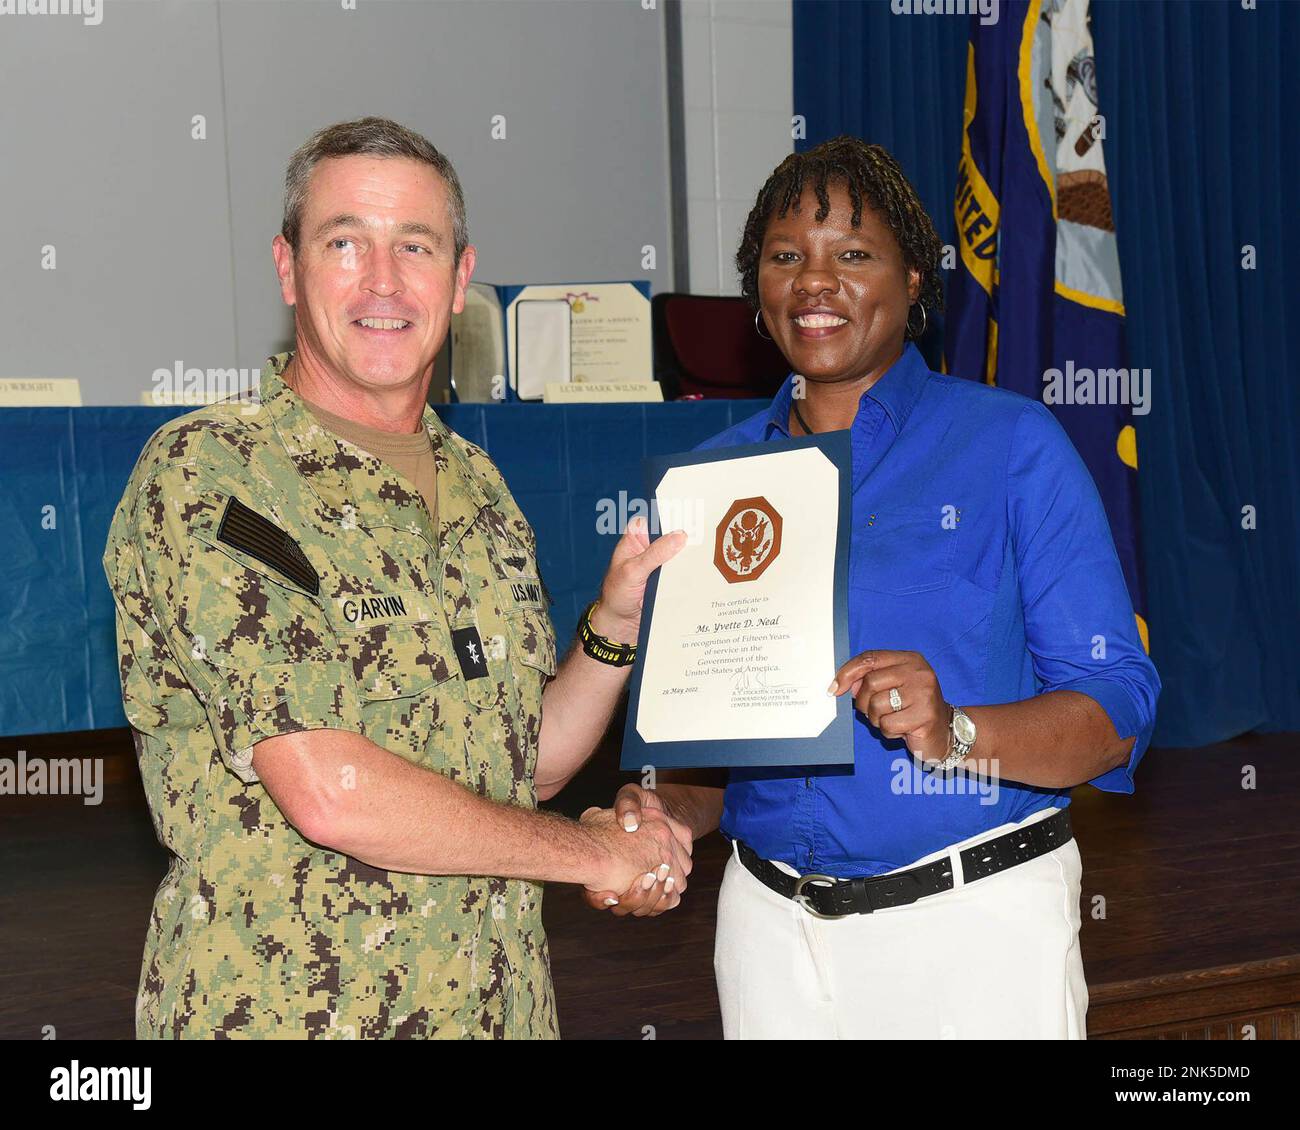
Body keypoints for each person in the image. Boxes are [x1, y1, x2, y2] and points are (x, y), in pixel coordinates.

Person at [102, 117, 689, 1040]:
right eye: (345, 243)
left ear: (460, 281)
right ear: (289, 268)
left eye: (414, 247)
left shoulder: (480, 491)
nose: (382, 280)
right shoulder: (213, 475)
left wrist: (613, 626)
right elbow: (329, 787)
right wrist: (588, 854)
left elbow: (520, 764)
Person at [587, 135, 1160, 1040]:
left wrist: (958, 731)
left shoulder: (1011, 446)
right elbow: (721, 763)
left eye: (852, 254)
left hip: (974, 932)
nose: (815, 282)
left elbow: (1120, 707)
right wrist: (664, 810)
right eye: (786, 258)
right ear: (757, 290)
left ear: (916, 284)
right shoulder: (709, 483)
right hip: (770, 942)